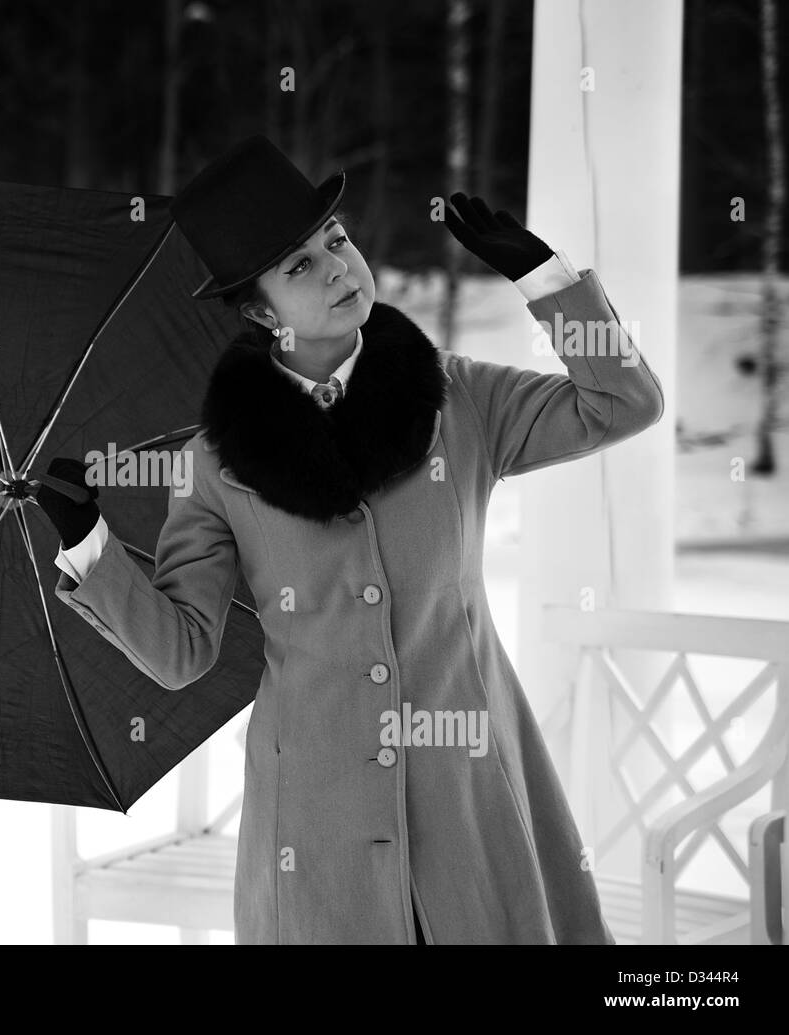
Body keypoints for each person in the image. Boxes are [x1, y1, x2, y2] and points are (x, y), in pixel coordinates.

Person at [35, 134, 664, 945]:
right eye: (299, 265)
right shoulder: (218, 462)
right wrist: (89, 543)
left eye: (336, 241)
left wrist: (547, 285)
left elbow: (625, 403)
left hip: (468, 784)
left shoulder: (458, 397)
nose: (337, 266)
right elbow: (182, 650)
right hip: (315, 816)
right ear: (260, 312)